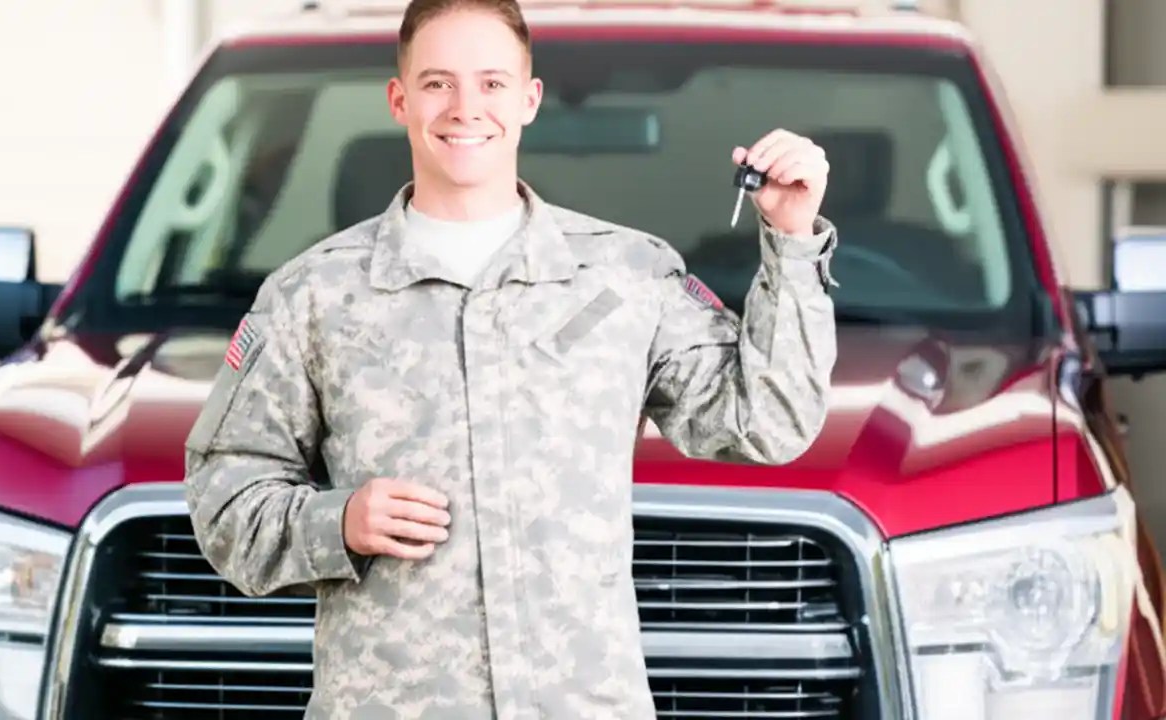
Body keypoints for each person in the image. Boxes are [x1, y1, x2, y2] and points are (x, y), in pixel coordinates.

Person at [182, 0, 838, 716]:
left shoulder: (627, 278)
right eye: (437, 83)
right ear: (400, 100)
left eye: (492, 83)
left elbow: (767, 422)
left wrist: (794, 239)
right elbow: (224, 498)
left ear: (528, 100)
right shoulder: (314, 296)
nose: (466, 107)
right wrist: (338, 524)